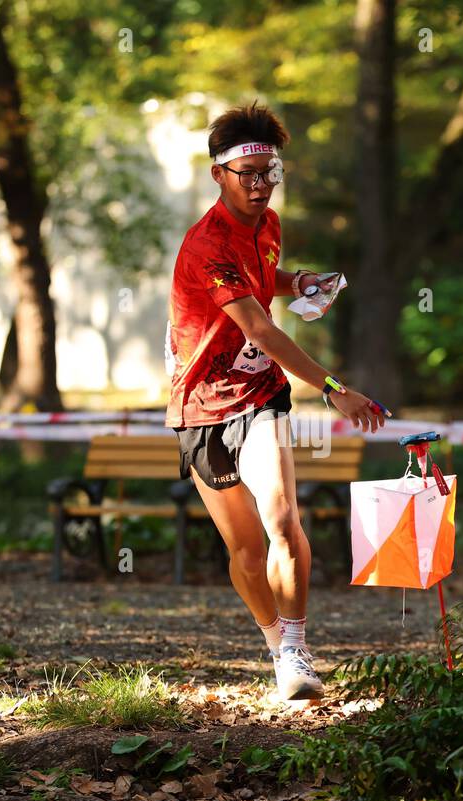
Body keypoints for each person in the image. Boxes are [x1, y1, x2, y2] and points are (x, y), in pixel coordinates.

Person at [164, 101, 387, 701]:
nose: (262, 186)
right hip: (202, 404)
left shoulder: (269, 226)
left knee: (283, 519)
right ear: (219, 175)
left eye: (271, 173)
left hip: (261, 395)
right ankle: (273, 643)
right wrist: (335, 390)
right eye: (249, 175)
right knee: (244, 547)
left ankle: (295, 649)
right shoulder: (204, 244)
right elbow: (260, 328)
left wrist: (299, 281)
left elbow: (264, 277)